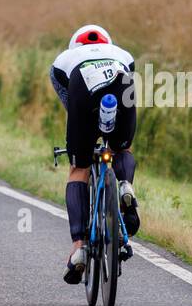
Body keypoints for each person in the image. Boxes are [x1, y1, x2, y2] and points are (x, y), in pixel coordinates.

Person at [49, 24, 140, 285]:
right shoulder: (123, 53)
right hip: (122, 81)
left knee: (79, 168)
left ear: (74, 45)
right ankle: (124, 185)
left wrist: (84, 142)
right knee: (121, 148)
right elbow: (129, 83)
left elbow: (70, 104)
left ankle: (79, 247)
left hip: (82, 86)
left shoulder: (62, 61)